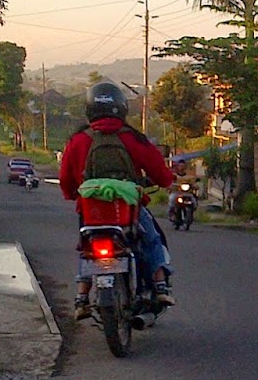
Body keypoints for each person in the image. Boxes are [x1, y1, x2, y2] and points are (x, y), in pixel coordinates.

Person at [59, 81, 174, 319]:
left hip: (91, 212)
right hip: (129, 211)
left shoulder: (78, 140)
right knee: (152, 239)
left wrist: (73, 195)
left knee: (87, 248)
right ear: (121, 108)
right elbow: (162, 175)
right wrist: (163, 180)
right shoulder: (133, 138)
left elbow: (66, 180)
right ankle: (160, 285)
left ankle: (81, 297)